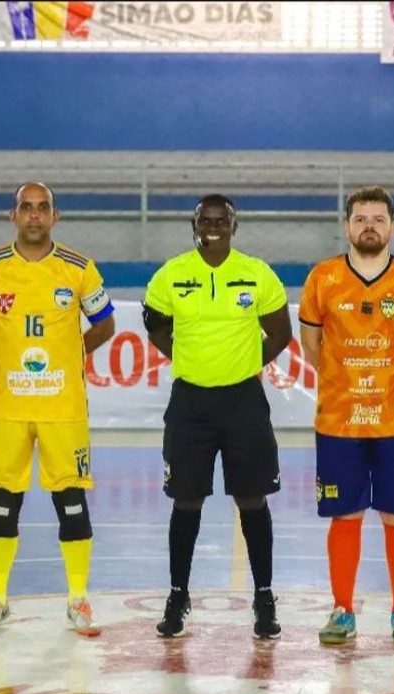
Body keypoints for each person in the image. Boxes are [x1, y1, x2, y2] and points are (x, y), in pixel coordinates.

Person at [0, 182, 116, 637]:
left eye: (42, 208)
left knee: (71, 501)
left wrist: (72, 354)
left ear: (55, 216)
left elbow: (105, 323)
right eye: (25, 208)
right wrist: (1, 353)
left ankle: (79, 599)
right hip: (7, 406)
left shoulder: (78, 268)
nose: (34, 215)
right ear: (13, 216)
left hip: (62, 407)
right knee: (3, 502)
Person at [298, 186, 394, 646]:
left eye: (378, 219)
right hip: (339, 422)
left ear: (392, 226)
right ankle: (342, 609)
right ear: (347, 226)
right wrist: (342, 384)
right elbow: (310, 343)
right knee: (346, 514)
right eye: (360, 218)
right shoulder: (322, 278)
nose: (369, 226)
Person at [142, 194, 293, 639]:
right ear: (194, 225)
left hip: (244, 403)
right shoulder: (171, 275)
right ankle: (177, 594)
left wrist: (243, 365)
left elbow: (281, 333)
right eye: (205, 220)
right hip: (190, 406)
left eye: (220, 220)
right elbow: (156, 329)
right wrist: (191, 360)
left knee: (252, 499)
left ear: (233, 225)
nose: (213, 226)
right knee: (186, 500)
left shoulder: (257, 273)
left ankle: (264, 597)